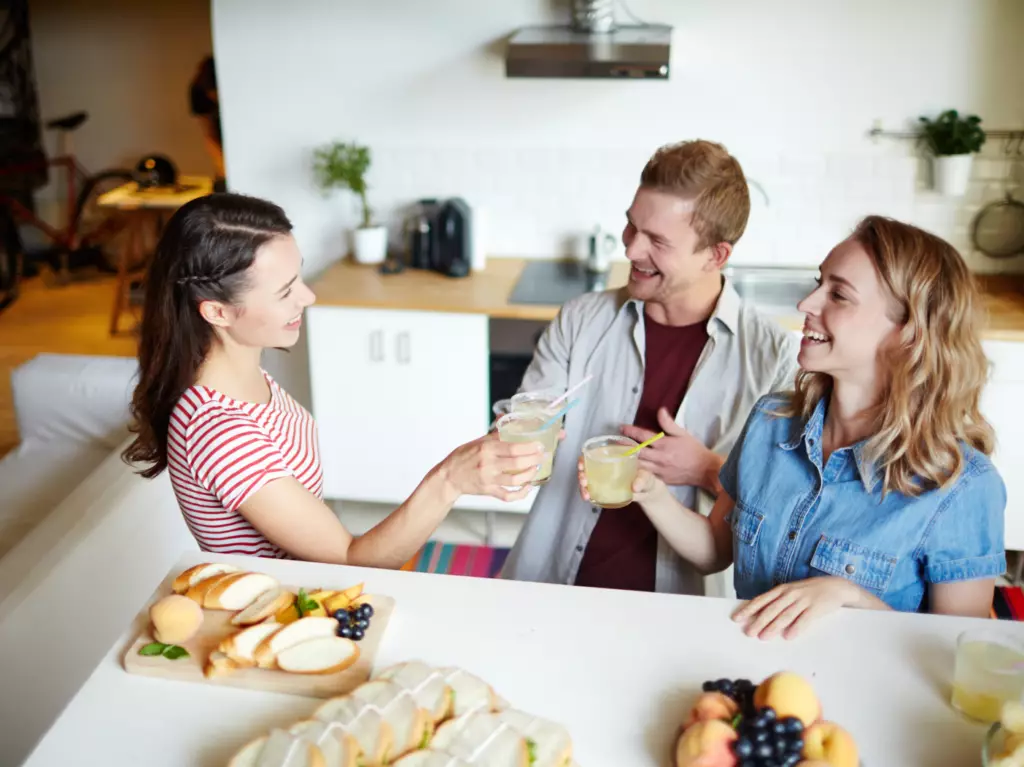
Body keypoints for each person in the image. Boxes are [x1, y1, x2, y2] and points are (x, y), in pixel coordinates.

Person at [585, 215, 1006, 637]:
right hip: (750, 679)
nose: (806, 304)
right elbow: (714, 550)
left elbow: (957, 649)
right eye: (818, 283)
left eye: (838, 295)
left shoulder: (962, 485)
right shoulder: (771, 421)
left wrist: (850, 596)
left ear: (907, 334)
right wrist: (651, 492)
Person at [123, 192, 543, 566]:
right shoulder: (219, 428)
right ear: (217, 312)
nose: (307, 297)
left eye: (299, 278)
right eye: (285, 291)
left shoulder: (242, 376)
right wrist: (450, 478)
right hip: (277, 619)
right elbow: (350, 558)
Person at [500, 139, 800, 595]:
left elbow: (779, 511)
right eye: (631, 226)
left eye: (657, 241)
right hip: (550, 581)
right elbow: (530, 419)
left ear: (715, 255)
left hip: (676, 609)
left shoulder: (773, 359)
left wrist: (707, 469)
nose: (632, 250)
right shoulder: (581, 318)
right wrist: (513, 438)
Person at [189, 56, 226, 191]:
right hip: (223, 148)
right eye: (212, 95)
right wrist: (223, 168)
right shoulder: (198, 91)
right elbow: (209, 135)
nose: (215, 98)